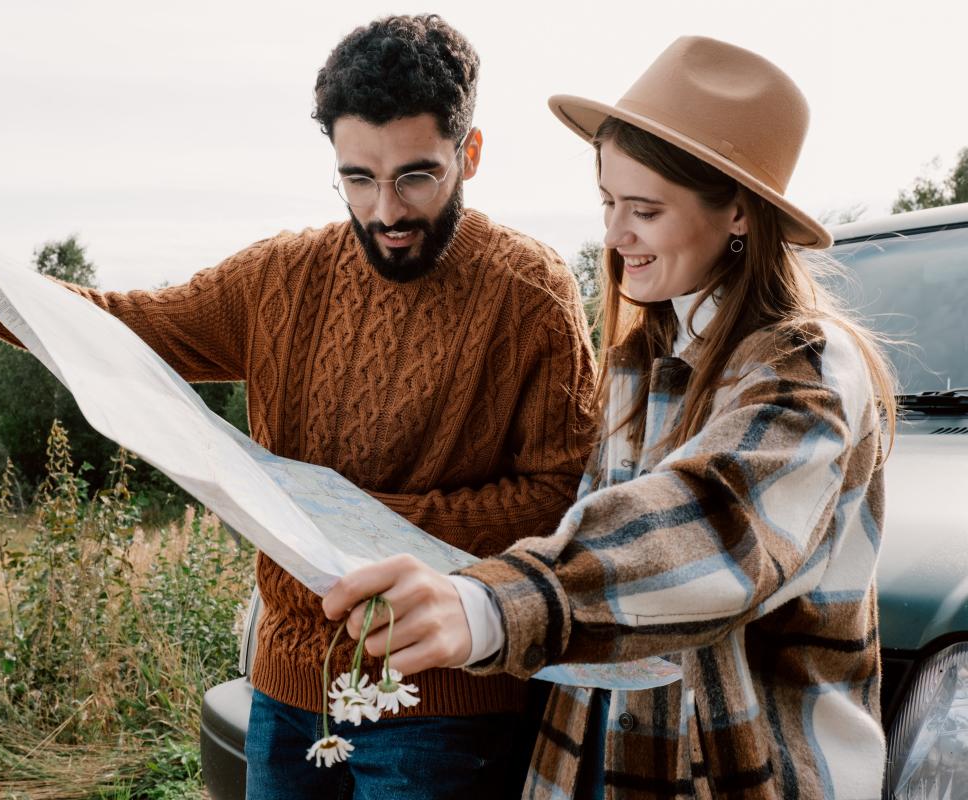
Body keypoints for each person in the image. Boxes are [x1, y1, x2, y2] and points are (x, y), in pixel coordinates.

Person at [0, 14, 597, 800]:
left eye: (416, 176)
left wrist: (354, 526)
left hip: (448, 705)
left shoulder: (531, 293)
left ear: (470, 154)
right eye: (357, 177)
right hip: (283, 696)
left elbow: (560, 496)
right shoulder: (281, 277)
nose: (385, 210)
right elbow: (119, 326)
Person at [323, 36, 897, 799]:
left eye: (646, 210)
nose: (615, 235)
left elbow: (710, 529)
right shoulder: (641, 361)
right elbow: (595, 530)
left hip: (739, 776)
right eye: (608, 203)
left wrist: (493, 603)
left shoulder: (807, 368)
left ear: (737, 212)